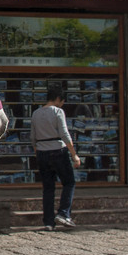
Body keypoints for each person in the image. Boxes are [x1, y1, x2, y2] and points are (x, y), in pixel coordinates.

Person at [31, 82, 82, 230]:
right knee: (69, 182)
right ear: (58, 99)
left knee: (48, 188)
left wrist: (38, 152)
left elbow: (32, 137)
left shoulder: (36, 113)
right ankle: (63, 213)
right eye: (62, 101)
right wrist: (74, 155)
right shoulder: (58, 112)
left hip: (42, 152)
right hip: (58, 151)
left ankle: (48, 222)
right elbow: (65, 134)